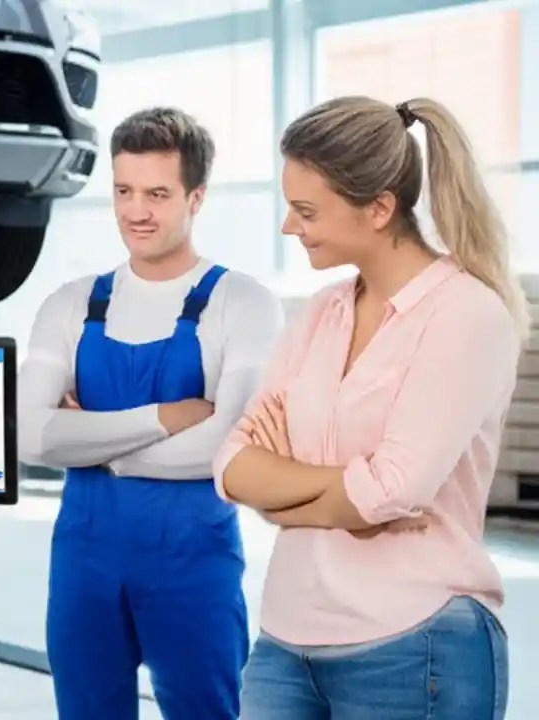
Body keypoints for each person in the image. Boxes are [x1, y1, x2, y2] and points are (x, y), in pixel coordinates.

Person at [214, 95, 528, 719]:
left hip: (418, 640)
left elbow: (394, 487)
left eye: (306, 211)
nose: (288, 227)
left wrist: (287, 495)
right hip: (285, 644)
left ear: (380, 208)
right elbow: (231, 464)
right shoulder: (322, 313)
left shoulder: (465, 315)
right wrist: (345, 502)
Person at [18, 107, 284, 719]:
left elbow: (229, 446)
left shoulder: (240, 302)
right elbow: (30, 436)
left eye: (158, 194)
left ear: (197, 197)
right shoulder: (70, 303)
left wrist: (86, 440)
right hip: (84, 563)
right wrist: (167, 415)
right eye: (124, 191)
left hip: (193, 566)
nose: (136, 211)